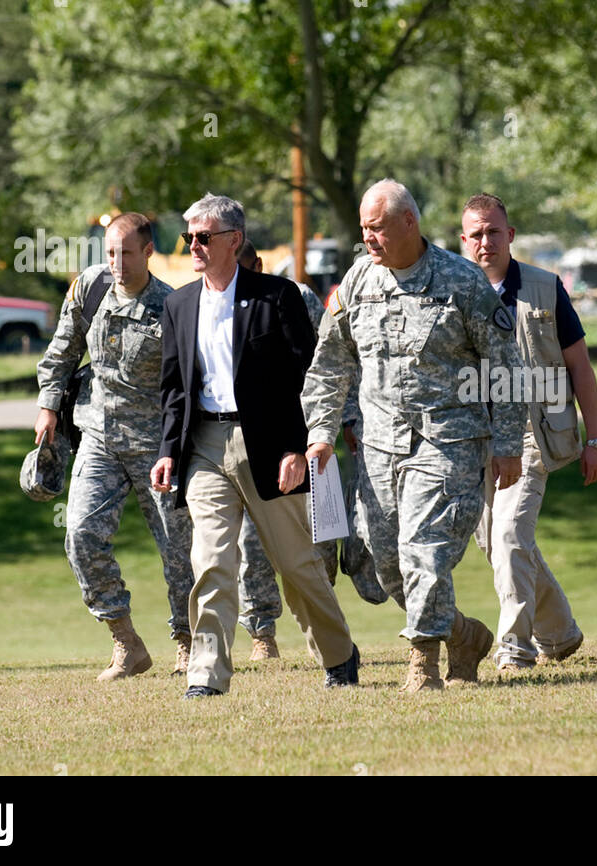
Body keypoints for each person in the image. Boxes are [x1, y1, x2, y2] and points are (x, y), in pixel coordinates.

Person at [302, 178, 526, 692]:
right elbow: (330, 364)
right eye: (363, 230)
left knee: (424, 550)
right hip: (379, 448)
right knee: (389, 570)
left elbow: (506, 367)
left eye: (376, 228)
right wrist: (320, 432)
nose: (368, 240)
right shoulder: (357, 283)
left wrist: (509, 443)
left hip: (449, 442)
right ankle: (464, 635)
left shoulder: (462, 282)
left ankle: (423, 664)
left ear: (409, 223)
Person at [151, 193, 358, 697]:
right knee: (213, 561)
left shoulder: (278, 297)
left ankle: (339, 654)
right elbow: (174, 388)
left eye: (203, 237)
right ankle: (206, 676)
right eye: (188, 237)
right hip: (203, 445)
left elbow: (307, 379)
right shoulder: (178, 305)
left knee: (296, 564)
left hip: (267, 443)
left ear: (234, 240)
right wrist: (166, 451)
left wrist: (296, 447)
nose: (193, 246)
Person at [34, 212, 193, 681]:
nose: (117, 263)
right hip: (99, 438)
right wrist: (47, 406)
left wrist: (177, 446)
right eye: (109, 253)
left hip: (156, 446)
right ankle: (126, 643)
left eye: (126, 253)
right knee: (80, 534)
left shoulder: (172, 306)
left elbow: (184, 385)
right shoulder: (90, 289)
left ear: (148, 252)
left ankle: (187, 642)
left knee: (179, 551)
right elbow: (62, 351)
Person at [459, 193, 597, 673]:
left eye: (494, 232)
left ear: (511, 235)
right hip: (472, 440)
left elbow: (579, 365)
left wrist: (596, 439)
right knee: (500, 541)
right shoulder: (452, 291)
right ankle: (560, 633)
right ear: (464, 240)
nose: (486, 242)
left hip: (531, 435)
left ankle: (515, 649)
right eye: (476, 234)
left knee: (508, 534)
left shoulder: (546, 287)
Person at [228, 239, 338, 660]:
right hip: (249, 444)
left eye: (241, 266)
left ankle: (324, 625)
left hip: (306, 439)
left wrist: (337, 425)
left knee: (316, 541)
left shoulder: (297, 297)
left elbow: (327, 364)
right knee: (251, 543)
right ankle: (262, 634)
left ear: (256, 264)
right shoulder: (213, 303)